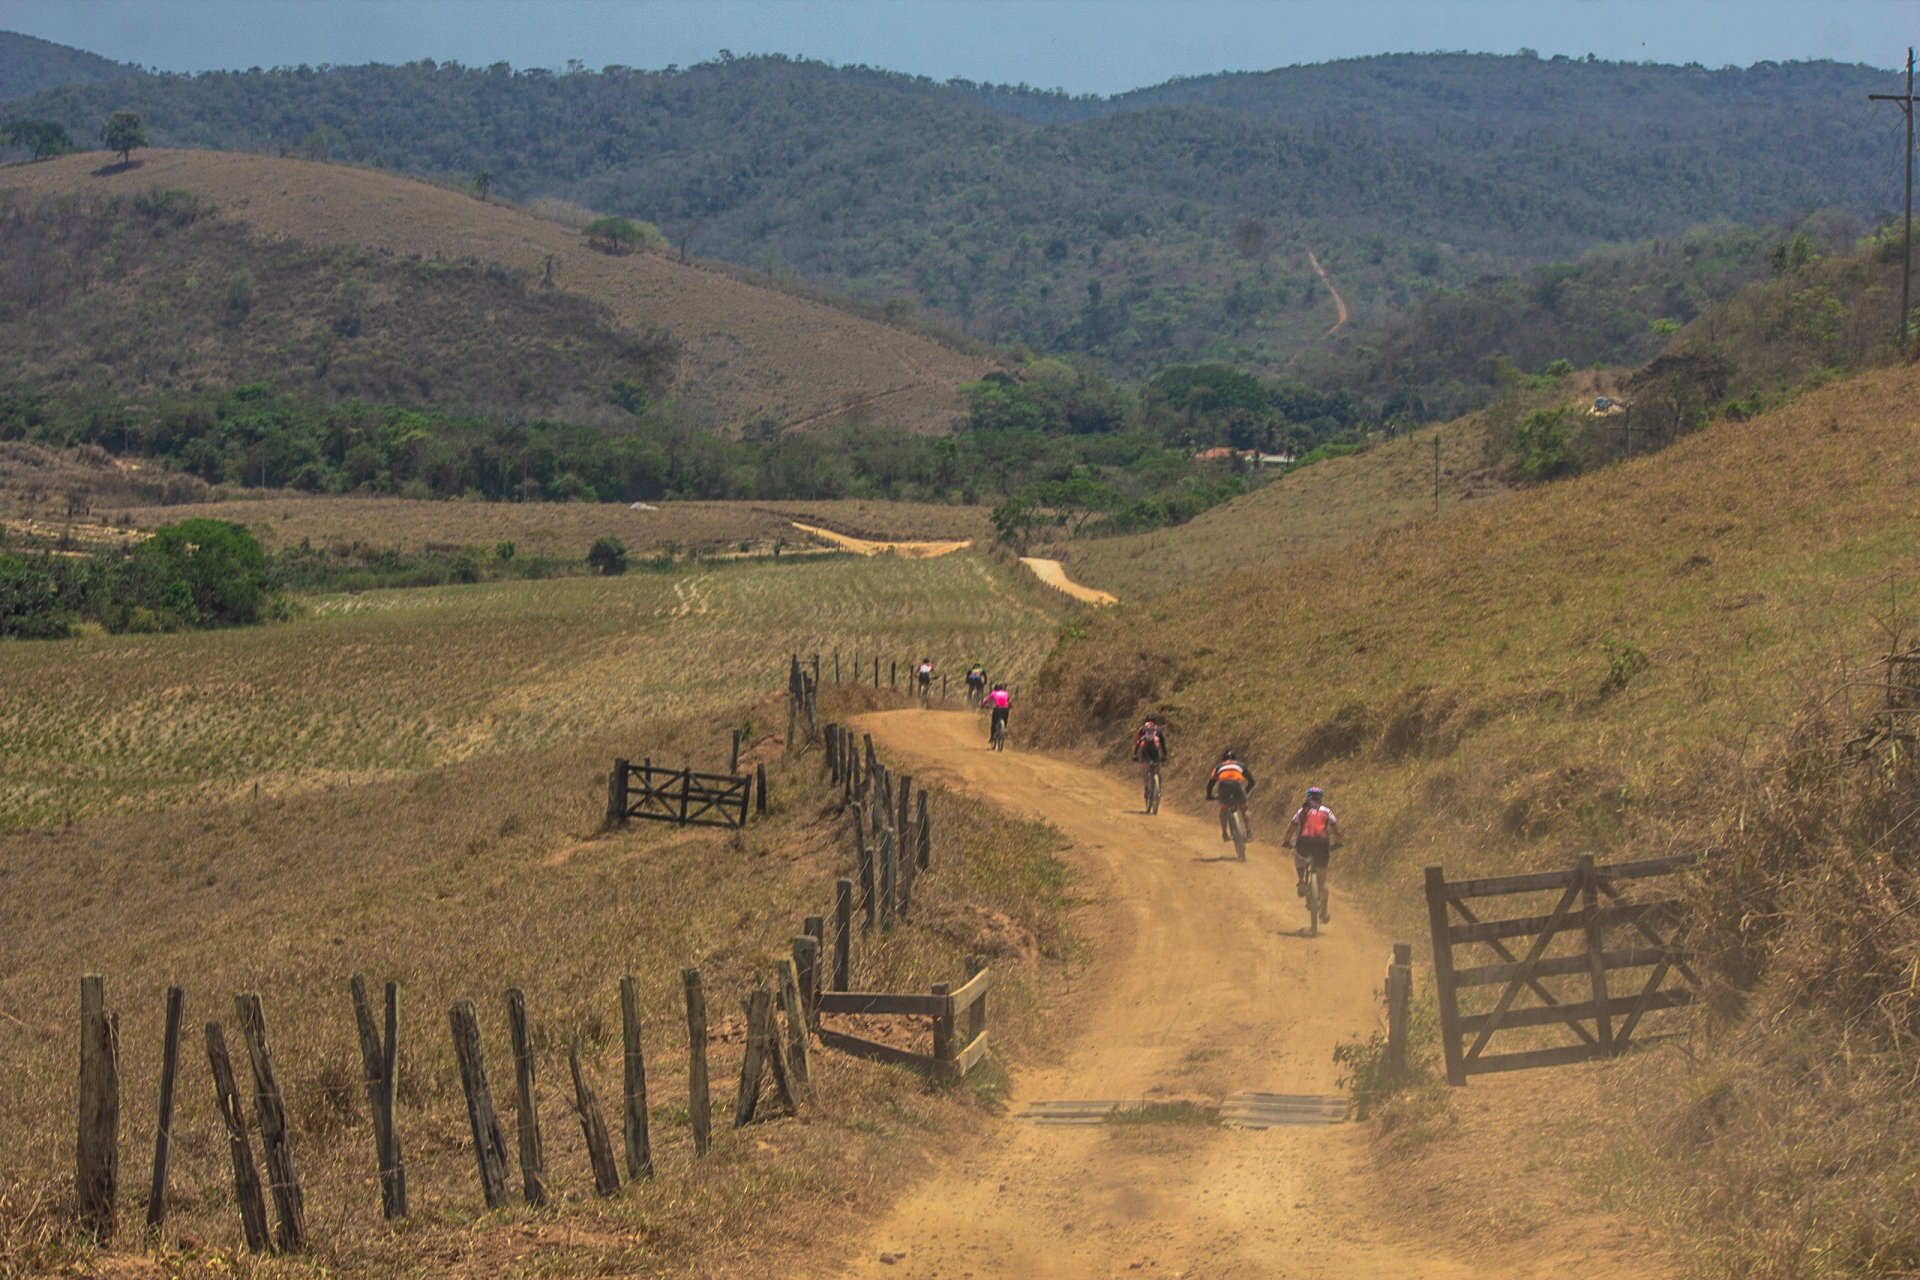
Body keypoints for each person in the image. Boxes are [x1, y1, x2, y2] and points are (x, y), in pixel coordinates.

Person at [1283, 786, 1341, 921]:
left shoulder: (1302, 811)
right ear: (1321, 798)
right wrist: (1338, 843)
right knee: (1322, 882)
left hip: (1304, 842)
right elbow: (1336, 829)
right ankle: (1324, 912)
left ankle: (1302, 881)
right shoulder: (1327, 811)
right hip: (1322, 844)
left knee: (1299, 857)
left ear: (1307, 797)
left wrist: (1286, 842)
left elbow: (1292, 827)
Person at [1205, 749, 1254, 844]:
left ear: (1223, 758)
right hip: (1238, 786)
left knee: (1223, 810)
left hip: (1224, 787)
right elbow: (1252, 781)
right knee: (1244, 809)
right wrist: (1246, 791)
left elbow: (1210, 784)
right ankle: (1249, 833)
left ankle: (1225, 834)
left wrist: (1209, 795)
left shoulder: (1219, 766)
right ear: (1235, 758)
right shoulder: (1240, 765)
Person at [1132, 715, 1169, 805]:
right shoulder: (1159, 730)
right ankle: (1159, 789)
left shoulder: (1142, 729)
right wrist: (1165, 755)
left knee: (1145, 771)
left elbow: (1138, 743)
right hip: (1156, 754)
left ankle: (1146, 788)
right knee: (1158, 772)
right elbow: (1163, 744)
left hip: (1145, 753)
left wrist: (1135, 754)